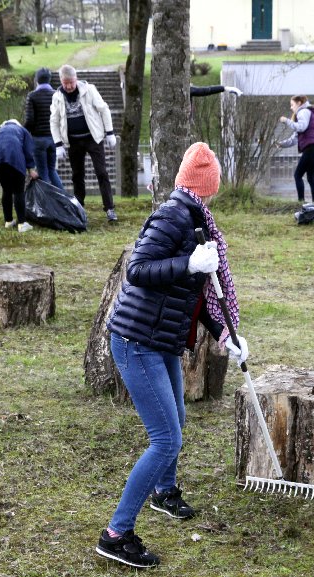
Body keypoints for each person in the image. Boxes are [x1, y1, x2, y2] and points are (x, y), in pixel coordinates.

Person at [97, 142, 249, 568]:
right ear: (206, 184)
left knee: (176, 420)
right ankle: (116, 533)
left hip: (159, 340)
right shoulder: (173, 216)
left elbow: (196, 299)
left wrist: (225, 336)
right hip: (135, 341)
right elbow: (138, 269)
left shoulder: (198, 219)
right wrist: (187, 264)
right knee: (167, 439)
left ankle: (164, 493)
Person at [49, 64, 119, 222]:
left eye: (71, 83)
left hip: (93, 138)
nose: (69, 86)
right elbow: (54, 121)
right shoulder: (57, 97)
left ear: (76, 79)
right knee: (77, 175)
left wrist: (109, 132)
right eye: (65, 83)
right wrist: (58, 144)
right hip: (73, 141)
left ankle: (109, 208)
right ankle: (79, 209)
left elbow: (104, 109)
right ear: (61, 81)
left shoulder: (89, 90)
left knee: (101, 172)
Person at [0, 119, 39, 232]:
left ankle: (8, 221)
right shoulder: (22, 130)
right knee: (18, 191)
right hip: (14, 158)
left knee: (6, 190)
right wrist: (31, 168)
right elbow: (28, 150)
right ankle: (22, 223)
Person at [23, 67, 64, 191]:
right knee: (52, 170)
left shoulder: (32, 96)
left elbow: (30, 120)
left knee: (43, 173)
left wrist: (24, 132)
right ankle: (64, 198)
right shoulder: (57, 95)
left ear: (36, 80)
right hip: (54, 139)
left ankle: (46, 203)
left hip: (38, 139)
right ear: (49, 80)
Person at [277, 95, 314, 204]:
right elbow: (294, 139)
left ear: (299, 103)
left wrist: (286, 121)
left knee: (298, 175)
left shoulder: (303, 112)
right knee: (310, 178)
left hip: (310, 149)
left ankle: (301, 202)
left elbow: (301, 127)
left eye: (292, 105)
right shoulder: (306, 114)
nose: (291, 108)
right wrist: (281, 144)